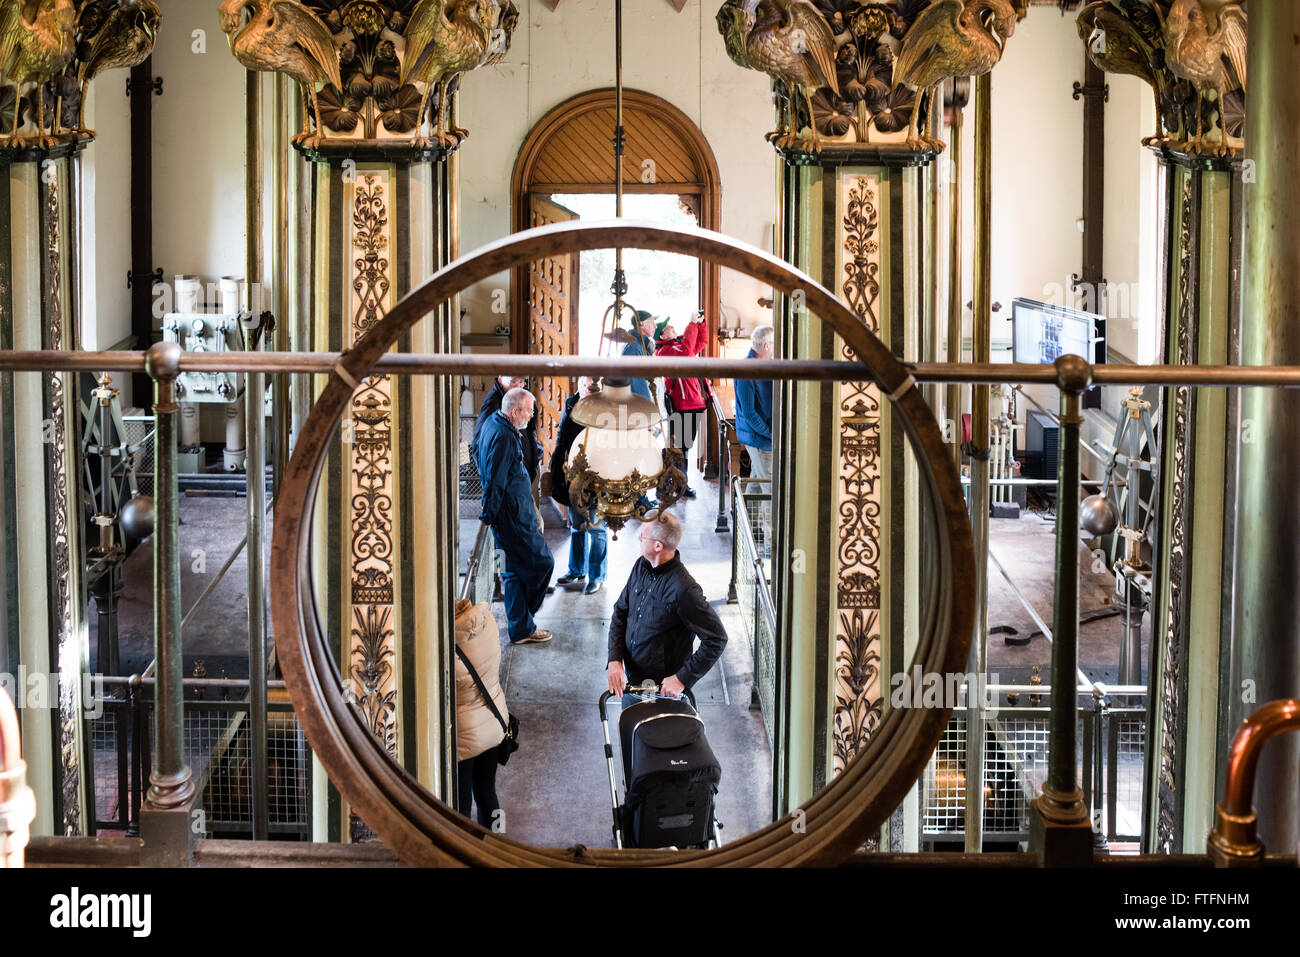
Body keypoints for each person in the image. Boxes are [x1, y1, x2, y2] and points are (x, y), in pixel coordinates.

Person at [606, 513, 728, 698]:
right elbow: (620, 612)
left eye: (643, 535)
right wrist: (615, 659)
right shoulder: (641, 566)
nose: (639, 538)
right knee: (630, 725)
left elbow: (717, 639)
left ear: (657, 545)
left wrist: (681, 679)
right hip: (631, 683)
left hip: (660, 692)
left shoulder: (684, 589)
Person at [475, 387, 554, 644]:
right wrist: (489, 513)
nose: (532, 416)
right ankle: (525, 616)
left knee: (513, 573)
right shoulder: (504, 436)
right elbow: (496, 480)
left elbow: (478, 454)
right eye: (529, 411)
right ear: (515, 411)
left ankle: (521, 629)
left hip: (508, 514)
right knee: (543, 563)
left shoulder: (494, 424)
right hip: (513, 519)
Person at [454, 597, 509, 828]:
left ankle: (464, 849)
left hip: (466, 736)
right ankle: (498, 840)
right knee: (487, 791)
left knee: (461, 803)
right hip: (495, 720)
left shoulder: (448, 648)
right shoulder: (488, 623)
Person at [551, 377, 608, 595]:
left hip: (597, 478)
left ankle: (597, 576)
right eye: (585, 385)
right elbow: (562, 440)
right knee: (577, 526)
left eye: (592, 387)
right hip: (573, 477)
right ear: (580, 386)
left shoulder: (605, 411)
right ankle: (576, 570)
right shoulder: (571, 404)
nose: (587, 390)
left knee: (596, 528)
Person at [655, 313, 710, 498]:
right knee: (679, 447)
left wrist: (701, 325)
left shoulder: (676, 346)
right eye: (668, 327)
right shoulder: (664, 352)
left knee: (684, 446)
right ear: (662, 336)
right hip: (682, 405)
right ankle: (677, 485)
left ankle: (677, 484)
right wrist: (692, 323)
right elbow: (687, 353)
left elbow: (700, 343)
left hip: (692, 403)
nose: (672, 327)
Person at [474, 374, 541, 485]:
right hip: (508, 484)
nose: (519, 386)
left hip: (526, 475)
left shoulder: (522, 397)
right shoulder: (492, 402)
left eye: (522, 382)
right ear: (501, 380)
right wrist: (490, 481)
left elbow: (530, 431)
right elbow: (478, 445)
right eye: (514, 381)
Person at [734, 323, 774, 481]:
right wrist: (770, 434)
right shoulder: (747, 370)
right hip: (760, 438)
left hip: (761, 436)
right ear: (766, 346)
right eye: (773, 344)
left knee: (756, 483)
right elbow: (749, 413)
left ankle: (745, 507)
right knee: (768, 488)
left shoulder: (764, 365)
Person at [622, 310, 659, 402]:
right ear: (641, 324)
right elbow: (635, 387)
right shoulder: (633, 348)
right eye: (652, 323)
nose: (656, 326)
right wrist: (645, 410)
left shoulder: (641, 346)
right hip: (640, 409)